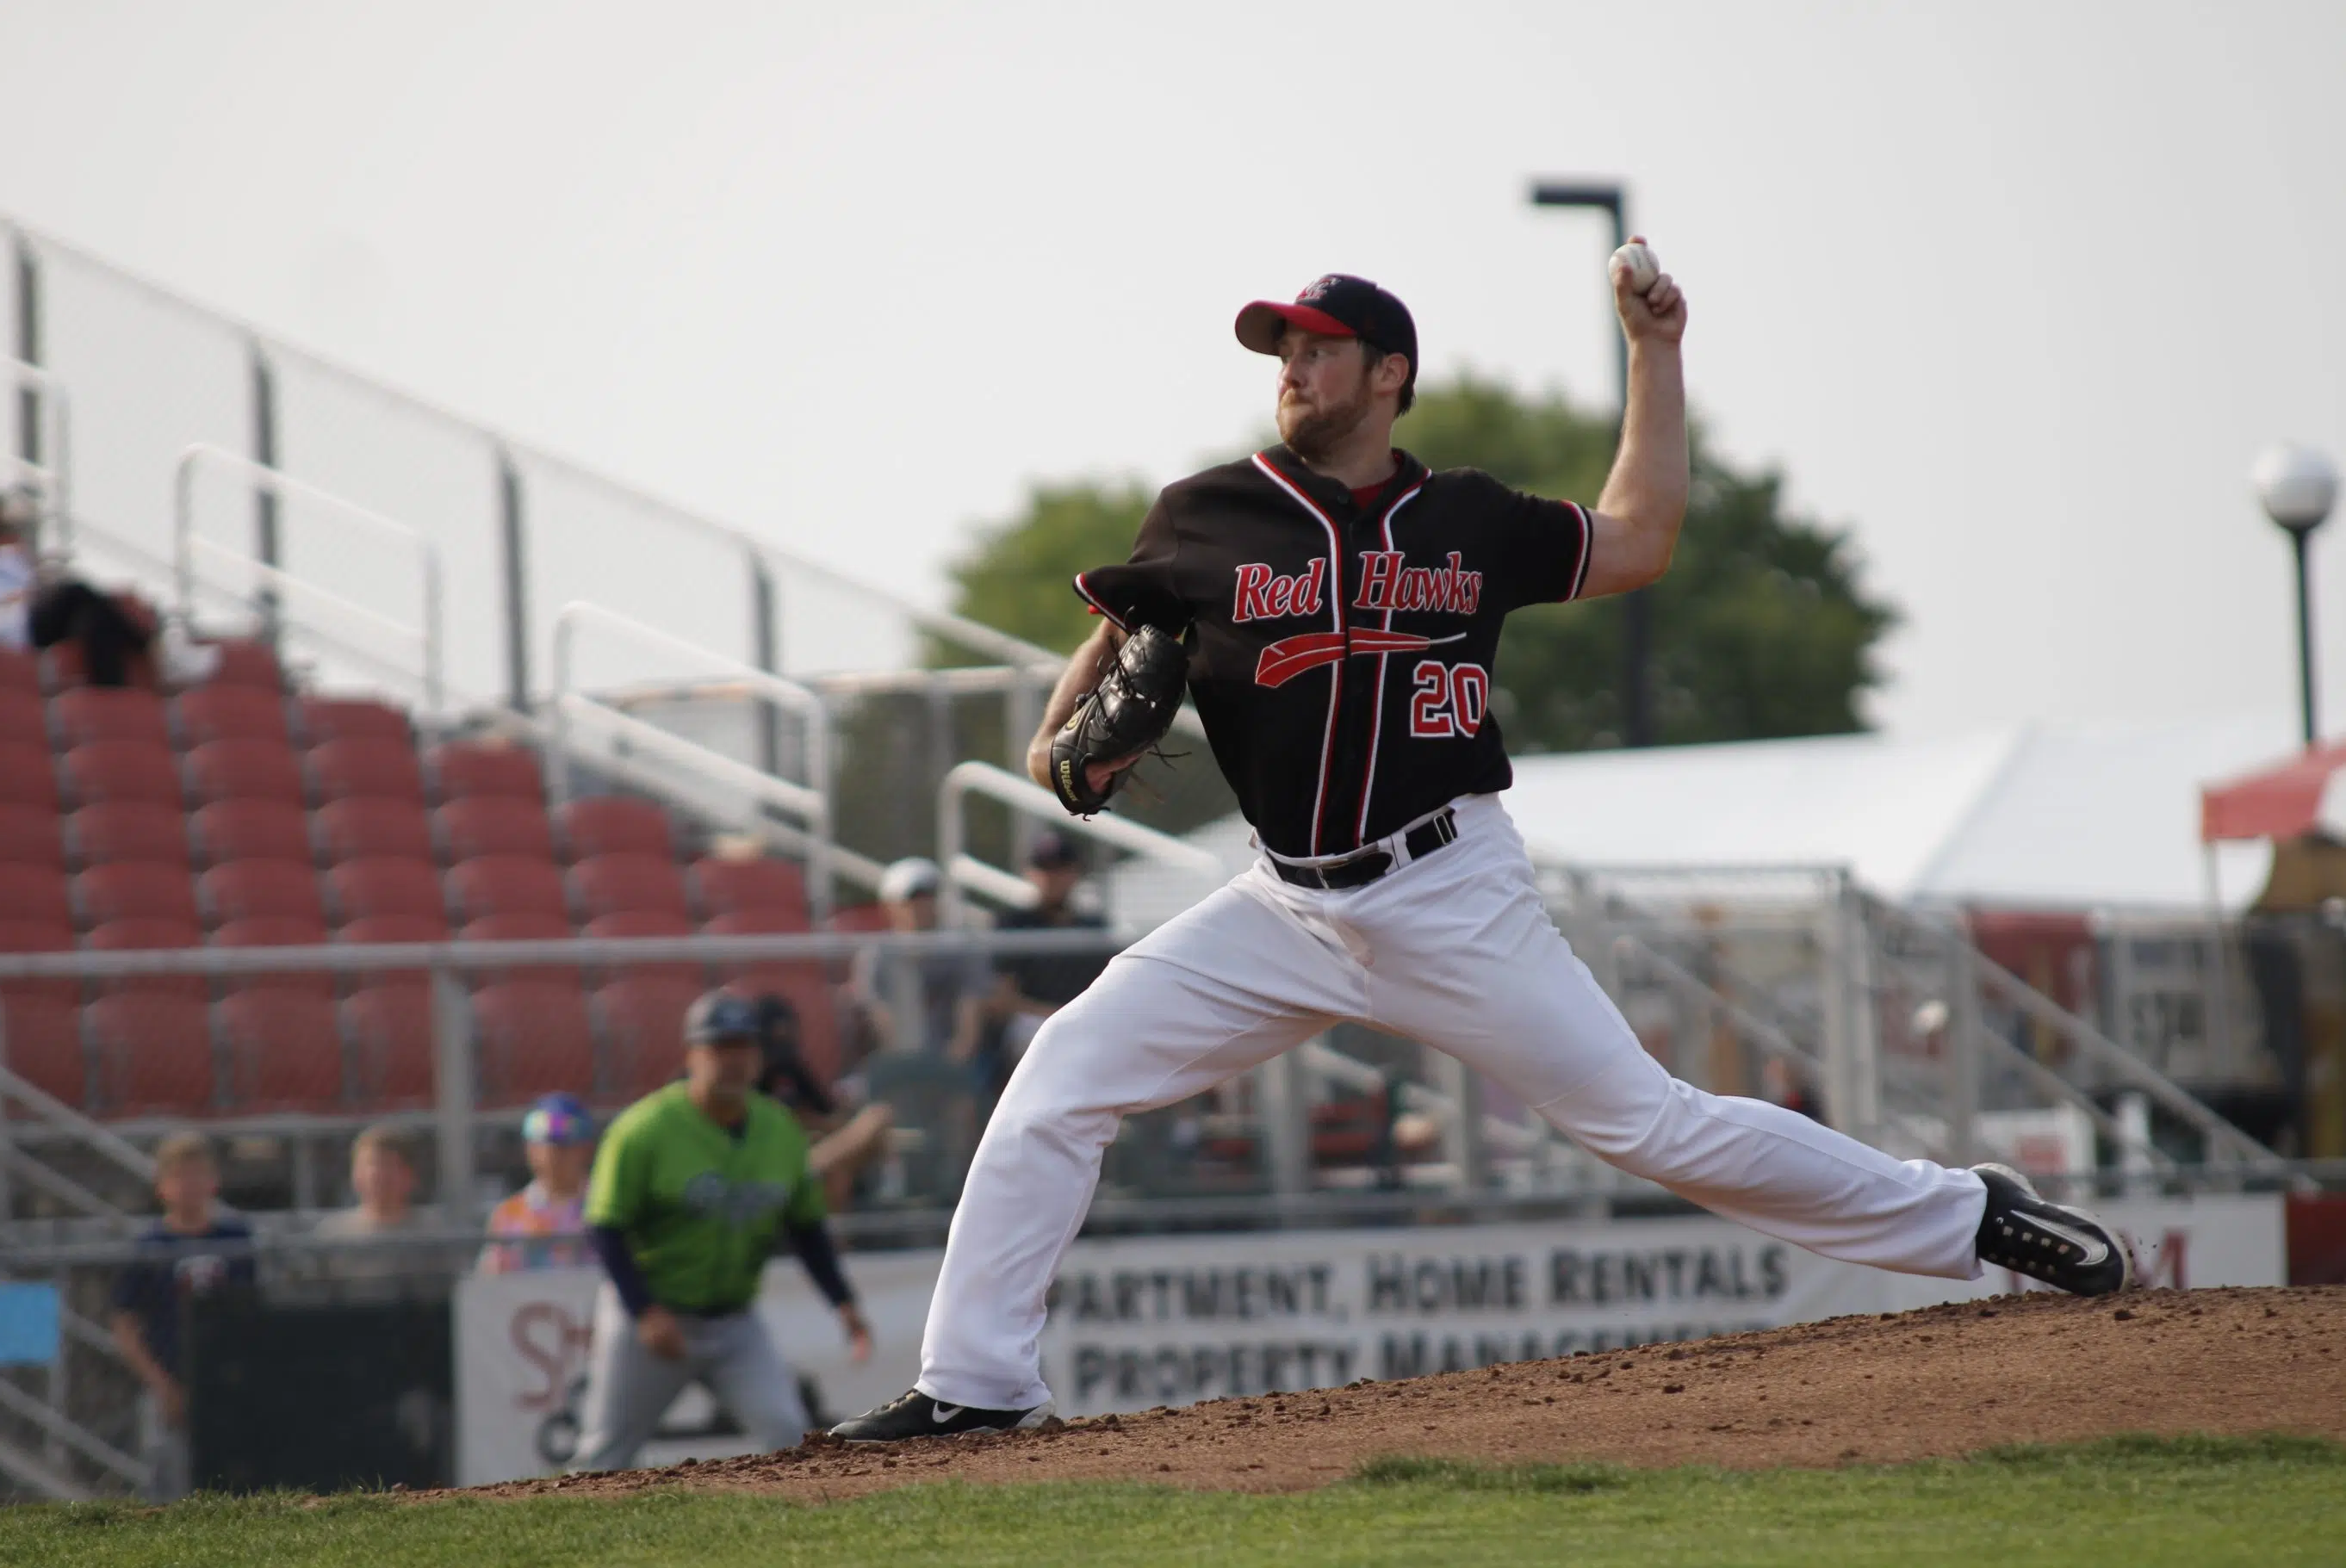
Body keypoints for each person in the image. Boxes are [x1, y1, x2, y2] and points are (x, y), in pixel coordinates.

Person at [831, 260, 2132, 1444]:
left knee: (1648, 1124)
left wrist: (1654, 354)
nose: (1292, 369)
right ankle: (976, 1381)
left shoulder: (1465, 517)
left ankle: (1972, 1212)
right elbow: (1113, 647)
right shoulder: (1205, 515)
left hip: (1448, 887)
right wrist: (1057, 745)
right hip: (1282, 908)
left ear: (1387, 374)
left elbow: (1640, 537)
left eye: (1319, 349)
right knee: (1061, 1074)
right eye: (1282, 351)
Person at [572, 989, 872, 1470]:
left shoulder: (778, 1129)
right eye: (720, 1047)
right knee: (604, 1455)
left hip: (735, 1325)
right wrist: (644, 1311)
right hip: (652, 1316)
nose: (734, 1060)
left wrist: (842, 1301)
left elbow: (806, 1228)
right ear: (692, 1055)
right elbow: (606, 1226)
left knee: (788, 1434)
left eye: (744, 1047)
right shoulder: (644, 1129)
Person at [109, 1132, 255, 1500]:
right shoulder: (148, 1248)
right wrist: (162, 1385)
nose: (189, 1185)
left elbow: (254, 1309)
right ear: (161, 1186)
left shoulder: (236, 1238)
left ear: (214, 1181)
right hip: (169, 1382)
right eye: (179, 1176)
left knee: (235, 1484)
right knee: (168, 1485)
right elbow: (125, 1324)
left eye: (197, 1174)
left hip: (228, 1381)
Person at [0, 492, 218, 686]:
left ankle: (112, 693)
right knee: (77, 592)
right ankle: (161, 654)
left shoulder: (8, 558)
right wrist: (25, 595)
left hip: (40, 615)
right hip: (15, 630)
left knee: (96, 619)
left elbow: (38, 586)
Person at [986, 830, 1111, 1083]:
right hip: (1033, 1023)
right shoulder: (1013, 923)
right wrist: (1055, 1015)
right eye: (1044, 868)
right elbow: (1001, 999)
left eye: (1060, 868)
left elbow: (1108, 991)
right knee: (1041, 1037)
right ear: (1030, 873)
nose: (1052, 877)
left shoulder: (1093, 927)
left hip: (1085, 1021)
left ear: (1075, 872)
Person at [754, 992, 894, 1212]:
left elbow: (830, 1116)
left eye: (786, 1036)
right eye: (774, 1038)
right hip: (774, 1174)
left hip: (812, 1160)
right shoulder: (746, 1079)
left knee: (875, 1123)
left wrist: (822, 1128)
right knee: (869, 1128)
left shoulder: (793, 1068)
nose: (781, 1046)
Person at [848, 857, 990, 1062]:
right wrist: (908, 1066)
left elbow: (969, 1022)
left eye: (928, 897)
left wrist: (951, 1064)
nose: (921, 906)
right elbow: (881, 1022)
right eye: (911, 899)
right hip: (896, 1065)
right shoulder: (876, 955)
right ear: (890, 905)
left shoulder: (963, 949)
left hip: (954, 1066)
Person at [477, 1094, 598, 1274]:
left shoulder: (605, 1208)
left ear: (586, 1149)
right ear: (529, 1149)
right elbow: (492, 1278)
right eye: (545, 1146)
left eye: (564, 1148)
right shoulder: (509, 1215)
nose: (554, 1157)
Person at [313, 1124, 425, 1280]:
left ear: (410, 1175)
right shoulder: (332, 1236)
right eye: (368, 1165)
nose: (376, 1174)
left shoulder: (434, 1235)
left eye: (388, 1165)